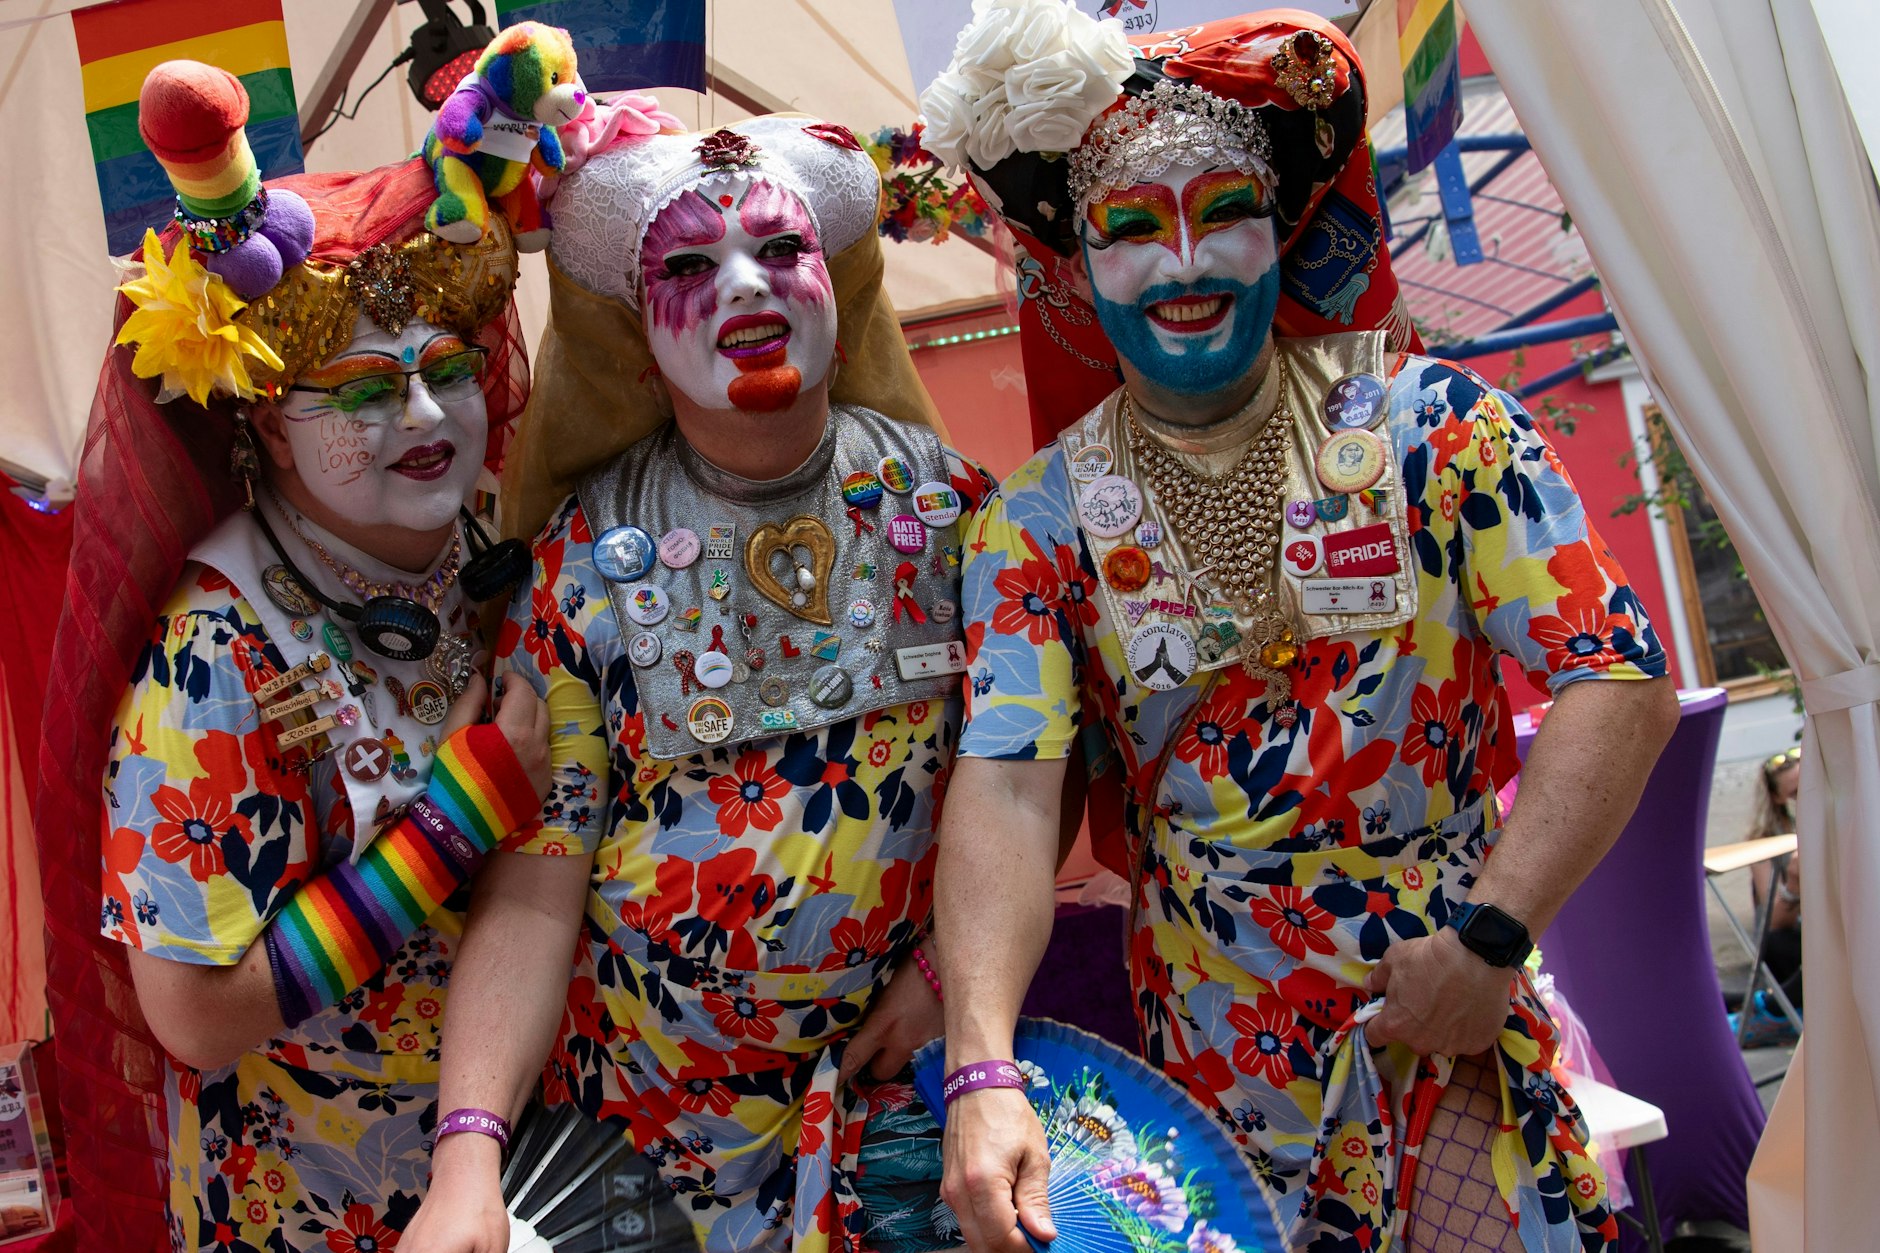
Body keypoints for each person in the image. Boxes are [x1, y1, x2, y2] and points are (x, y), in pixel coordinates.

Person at [919, 7, 1682, 1252]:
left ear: (1280, 227)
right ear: (1069, 270)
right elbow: (1008, 785)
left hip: (1441, 1024)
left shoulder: (1433, 427)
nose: (1183, 266)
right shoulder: (1034, 526)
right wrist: (981, 1064)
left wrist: (1492, 933)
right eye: (1127, 228)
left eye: (1219, 210)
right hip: (1208, 1091)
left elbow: (1618, 673)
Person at [404, 112, 996, 1253]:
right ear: (638, 327)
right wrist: (467, 1153)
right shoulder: (584, 561)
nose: (743, 286)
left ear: (833, 277)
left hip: (907, 1092)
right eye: (689, 265)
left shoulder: (955, 511)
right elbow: (538, 881)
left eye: (779, 249)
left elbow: (1028, 768)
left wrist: (947, 977)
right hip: (645, 1137)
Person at [38, 61, 554, 1252]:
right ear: (264, 418)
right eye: (367, 389)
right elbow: (195, 1016)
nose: (426, 419)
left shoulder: (498, 554)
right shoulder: (216, 649)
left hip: (549, 1161)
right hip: (325, 1203)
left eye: (447, 369)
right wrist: (449, 825)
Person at [1732, 745, 1802, 1044]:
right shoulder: (1767, 840)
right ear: (1778, 799)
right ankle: (1773, 1011)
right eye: (1796, 793)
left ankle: (1772, 1009)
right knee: (1779, 942)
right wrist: (1795, 884)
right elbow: (1773, 923)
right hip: (1793, 942)